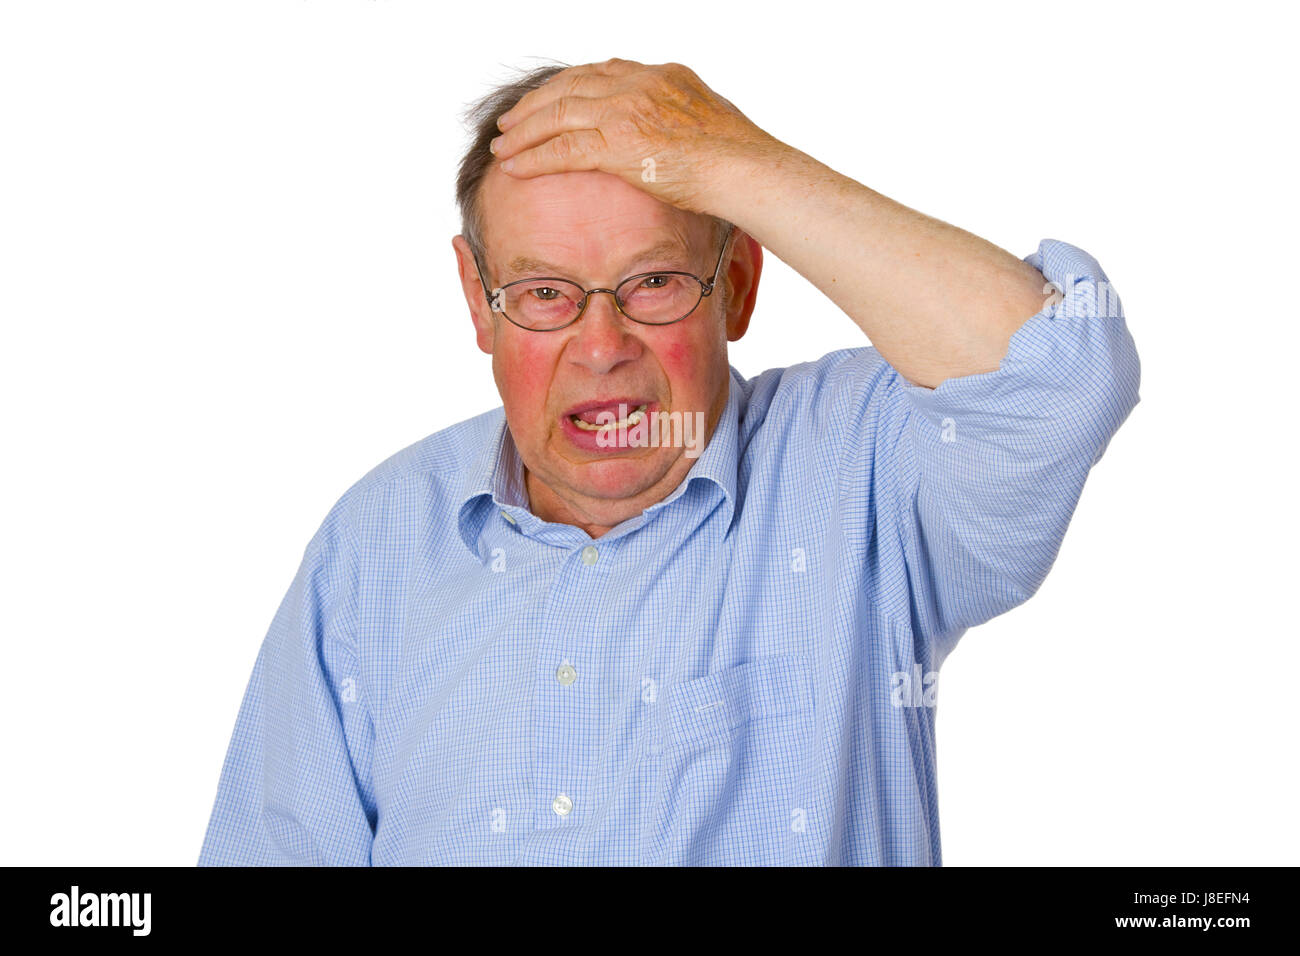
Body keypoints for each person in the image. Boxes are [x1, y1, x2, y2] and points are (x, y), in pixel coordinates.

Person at [199, 58, 1140, 865]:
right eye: (543, 293)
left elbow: (1063, 374)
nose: (601, 345)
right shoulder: (374, 543)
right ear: (477, 302)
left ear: (736, 284)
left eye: (654, 282)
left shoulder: (858, 465)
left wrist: (733, 161)